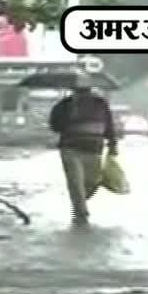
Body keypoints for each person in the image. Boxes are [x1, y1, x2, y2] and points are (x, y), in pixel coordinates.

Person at [48, 74, 118, 226]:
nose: (83, 93)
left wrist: (113, 145)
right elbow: (54, 125)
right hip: (70, 148)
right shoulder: (65, 105)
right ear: (73, 90)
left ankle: (79, 203)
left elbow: (109, 125)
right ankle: (80, 212)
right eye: (80, 90)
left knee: (92, 181)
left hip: (94, 150)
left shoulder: (100, 104)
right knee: (75, 182)